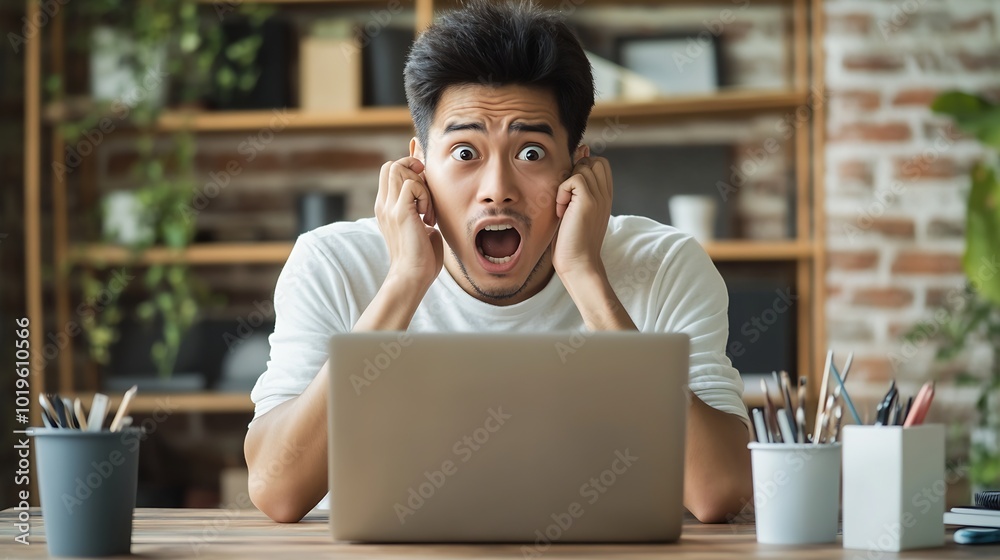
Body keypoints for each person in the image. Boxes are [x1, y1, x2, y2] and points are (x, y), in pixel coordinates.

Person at [245, 0, 752, 524]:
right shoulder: (332, 263)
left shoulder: (665, 266)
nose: (497, 190)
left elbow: (719, 491)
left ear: (577, 168)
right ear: (418, 168)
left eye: (530, 152)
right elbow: (278, 490)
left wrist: (587, 279)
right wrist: (403, 283)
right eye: (465, 153)